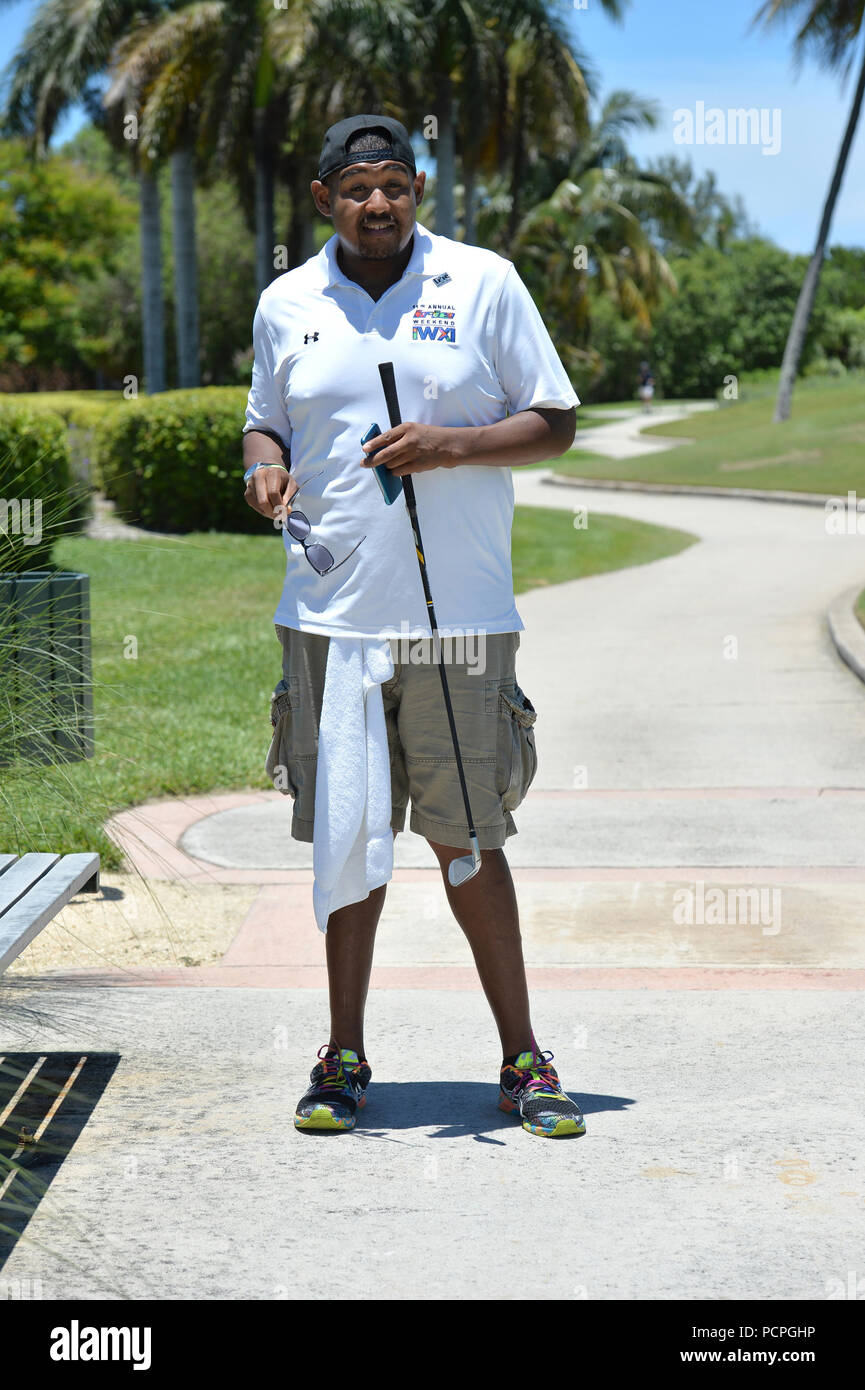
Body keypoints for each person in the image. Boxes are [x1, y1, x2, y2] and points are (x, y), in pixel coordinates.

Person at [241, 113, 585, 1138]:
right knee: (347, 840)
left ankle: (523, 1058)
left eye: (394, 184)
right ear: (323, 200)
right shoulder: (285, 302)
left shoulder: (481, 282)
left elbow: (555, 419)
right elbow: (266, 414)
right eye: (356, 188)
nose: (377, 203)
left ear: (419, 187)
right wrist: (263, 463)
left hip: (460, 620)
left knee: (469, 837)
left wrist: (450, 444)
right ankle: (342, 1057)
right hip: (328, 619)